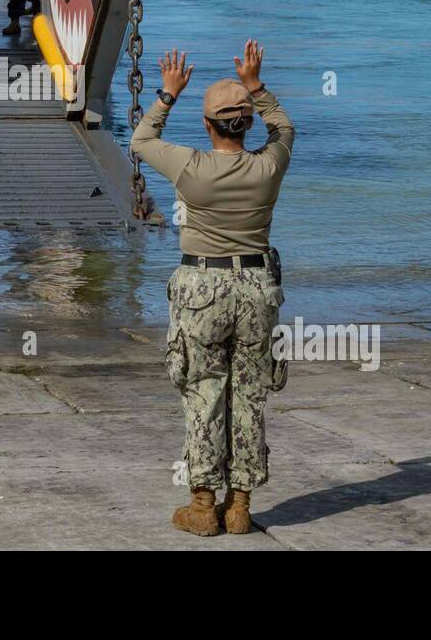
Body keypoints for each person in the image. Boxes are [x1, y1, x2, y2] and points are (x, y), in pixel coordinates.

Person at [130, 39, 295, 537]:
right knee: (249, 393)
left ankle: (202, 505)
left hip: (202, 285)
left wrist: (167, 94)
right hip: (256, 285)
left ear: (208, 126)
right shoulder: (269, 167)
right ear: (245, 124)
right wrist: (256, 86)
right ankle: (239, 505)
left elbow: (140, 140)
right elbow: (284, 128)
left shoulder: (192, 168)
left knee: (203, 390)